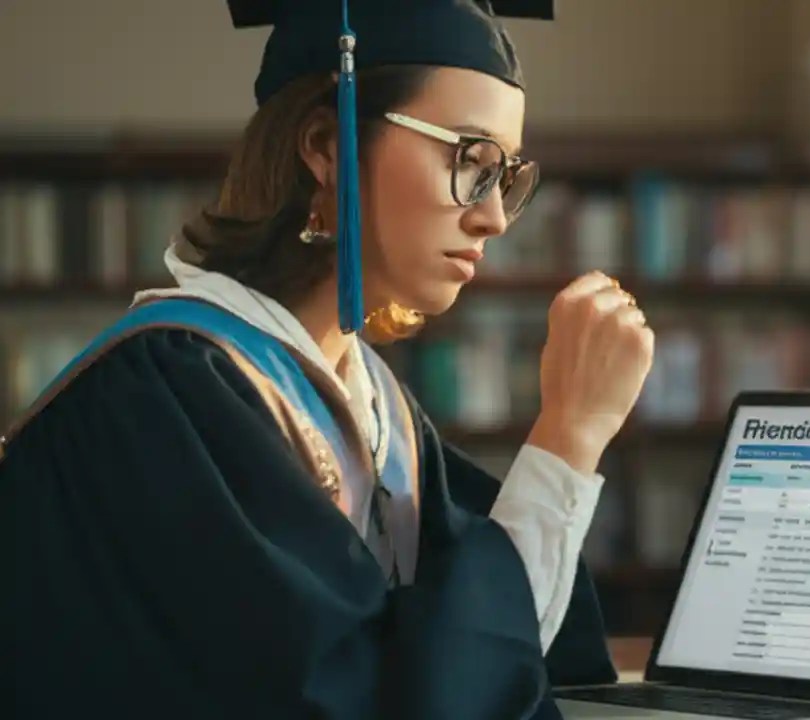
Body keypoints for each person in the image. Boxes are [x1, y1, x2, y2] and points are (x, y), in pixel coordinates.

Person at [0, 1, 653, 718]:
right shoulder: (170, 395)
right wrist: (569, 434)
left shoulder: (374, 405)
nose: (493, 215)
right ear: (325, 146)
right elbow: (372, 700)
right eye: (470, 160)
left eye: (507, 177)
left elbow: (487, 665)